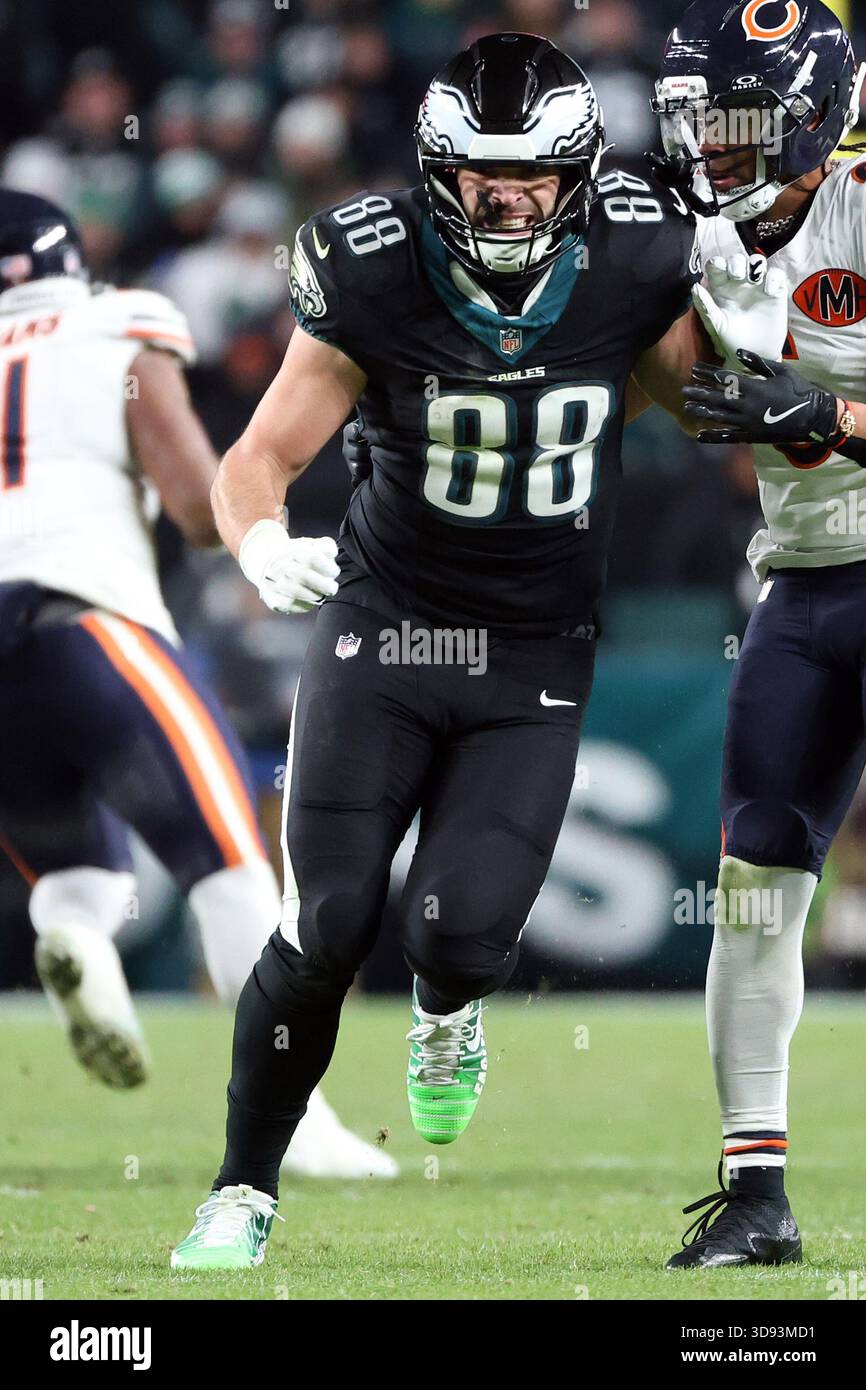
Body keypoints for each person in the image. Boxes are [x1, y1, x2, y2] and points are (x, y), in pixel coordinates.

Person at [171, 31, 784, 1270]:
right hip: (383, 629)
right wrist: (252, 545)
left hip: (528, 655)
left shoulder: (632, 261)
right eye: (478, 175)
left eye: (531, 175)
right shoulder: (373, 269)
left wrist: (747, 317)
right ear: (435, 172)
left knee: (454, 934)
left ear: (574, 175)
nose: (504, 197)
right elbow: (257, 459)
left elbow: (726, 408)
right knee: (329, 918)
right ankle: (241, 1189)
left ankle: (447, 1010)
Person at [0, 189, 396, 1182]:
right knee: (229, 860)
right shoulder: (110, 323)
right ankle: (294, 1116)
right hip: (83, 613)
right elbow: (191, 502)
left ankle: (75, 939)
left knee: (76, 873)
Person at [651, 0, 865, 1268]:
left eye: (739, 120)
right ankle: (753, 1193)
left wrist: (825, 420)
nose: (713, 148)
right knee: (752, 890)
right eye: (698, 121)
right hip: (801, 587)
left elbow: (803, 413)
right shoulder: (702, 241)